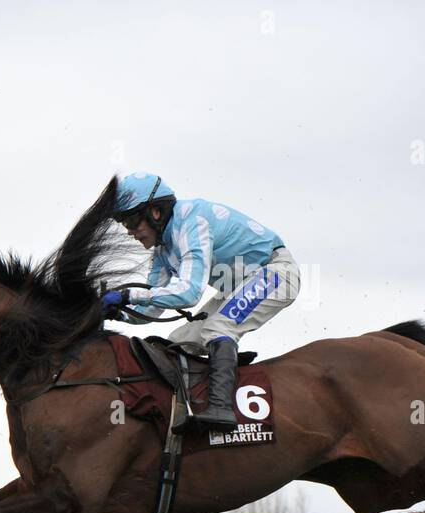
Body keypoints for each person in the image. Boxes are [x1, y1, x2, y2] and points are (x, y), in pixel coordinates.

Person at [102, 172, 300, 430]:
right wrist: (117, 312)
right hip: (238, 287)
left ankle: (222, 408)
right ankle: (188, 407)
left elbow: (188, 294)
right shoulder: (163, 249)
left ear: (156, 212)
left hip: (275, 273)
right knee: (179, 341)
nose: (130, 232)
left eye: (131, 220)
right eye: (124, 223)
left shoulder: (191, 220)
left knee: (217, 328)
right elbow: (150, 309)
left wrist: (127, 294)